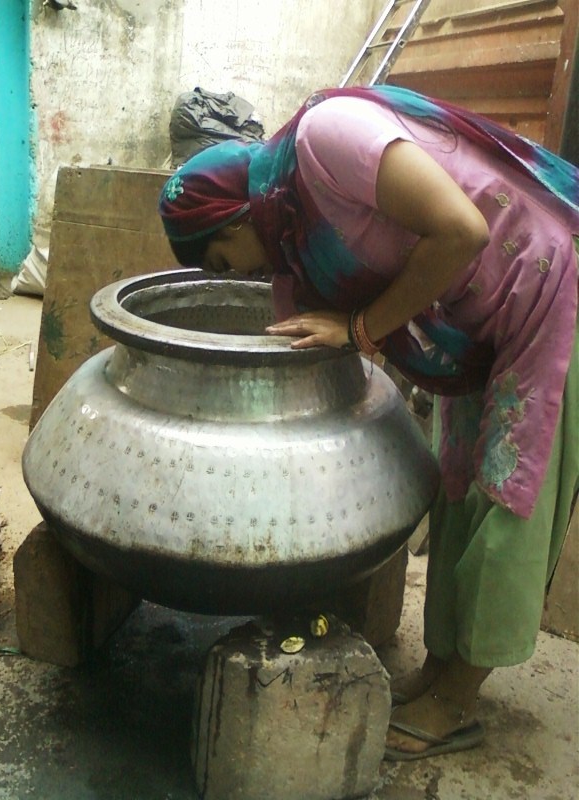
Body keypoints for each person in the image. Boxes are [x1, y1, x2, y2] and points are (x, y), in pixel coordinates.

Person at [159, 84, 578, 761]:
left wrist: (360, 329)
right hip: (479, 327)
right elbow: (288, 333)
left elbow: (463, 230)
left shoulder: (328, 139)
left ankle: (459, 697)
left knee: (509, 495)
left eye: (219, 261)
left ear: (234, 216)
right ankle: (442, 668)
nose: (238, 273)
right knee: (458, 482)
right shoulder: (292, 231)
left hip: (552, 280)